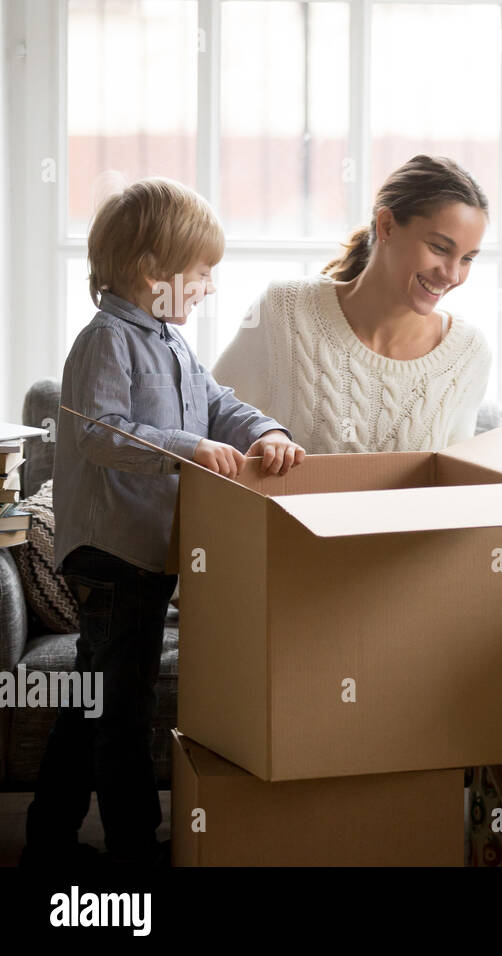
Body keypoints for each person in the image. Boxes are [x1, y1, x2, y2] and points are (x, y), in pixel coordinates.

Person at [24, 178, 305, 867]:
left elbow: (221, 403)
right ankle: (132, 847)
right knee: (123, 712)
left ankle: (47, 842)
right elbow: (100, 432)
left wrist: (265, 430)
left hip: (146, 554)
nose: (210, 286)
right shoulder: (106, 342)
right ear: (154, 273)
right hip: (111, 556)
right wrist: (188, 450)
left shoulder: (174, 345)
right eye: (202, 272)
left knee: (89, 703)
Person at [214, 155, 502, 453]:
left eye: (468, 258)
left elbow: (454, 481)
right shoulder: (286, 311)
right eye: (440, 248)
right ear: (387, 225)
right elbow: (209, 422)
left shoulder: (468, 352)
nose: (452, 274)